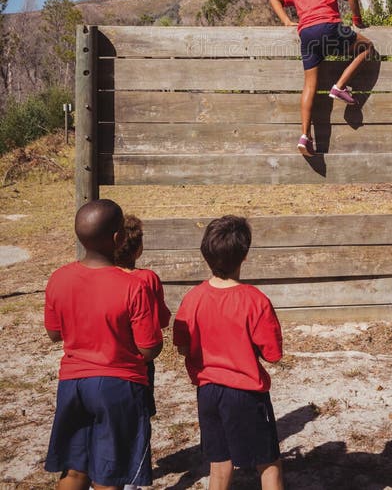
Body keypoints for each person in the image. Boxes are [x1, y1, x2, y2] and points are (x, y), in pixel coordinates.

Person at [44, 199, 164, 490]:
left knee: (74, 470)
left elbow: (54, 333)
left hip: (72, 384)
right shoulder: (133, 286)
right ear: (118, 239)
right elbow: (149, 348)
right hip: (119, 386)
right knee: (110, 475)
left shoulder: (58, 278)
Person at [173, 215, 284, 490]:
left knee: (219, 463)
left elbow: (182, 347)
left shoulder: (193, 298)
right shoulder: (255, 301)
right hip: (246, 393)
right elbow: (273, 354)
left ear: (205, 254)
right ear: (244, 256)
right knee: (268, 462)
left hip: (208, 392)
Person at [269, 0, 374, 156]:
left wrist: (286, 21)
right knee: (367, 47)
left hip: (307, 34)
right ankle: (340, 86)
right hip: (330, 28)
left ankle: (304, 136)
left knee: (310, 85)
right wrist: (357, 19)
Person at [114, 214, 171, 415]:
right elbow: (162, 320)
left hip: (106, 360)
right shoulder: (147, 278)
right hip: (139, 361)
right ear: (138, 249)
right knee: (140, 413)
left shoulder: (98, 278)